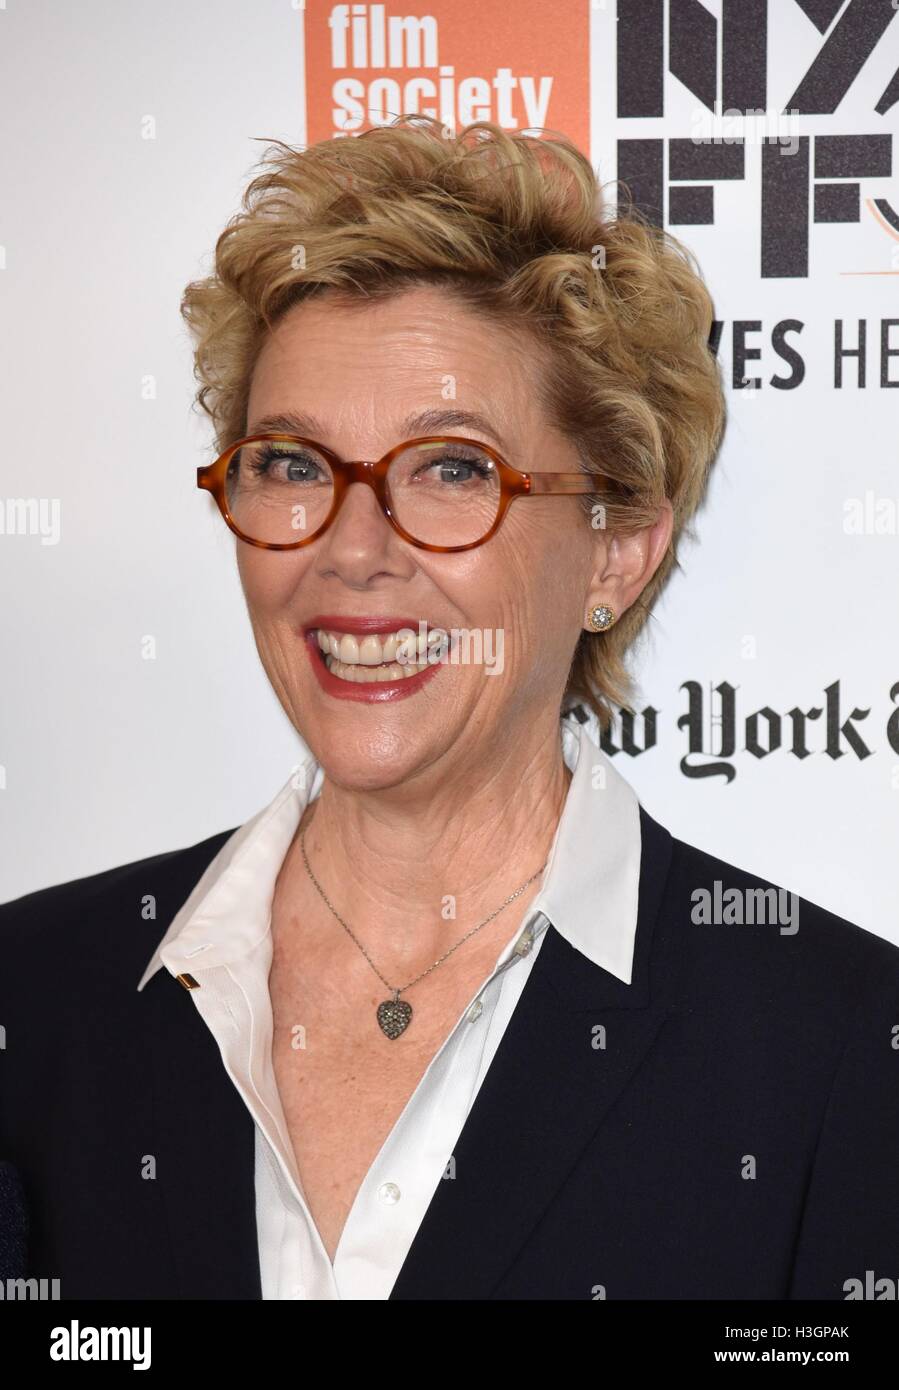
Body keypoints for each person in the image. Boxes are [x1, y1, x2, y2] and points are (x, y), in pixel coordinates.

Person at [2, 115, 897, 1301]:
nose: (350, 550)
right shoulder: (34, 999)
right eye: (291, 466)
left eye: (451, 468)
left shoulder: (837, 1049)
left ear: (615, 552)